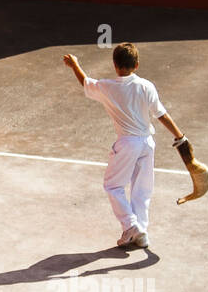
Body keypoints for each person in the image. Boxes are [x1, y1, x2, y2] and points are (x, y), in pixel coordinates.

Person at [62, 44, 186, 249]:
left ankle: (131, 226)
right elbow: (161, 114)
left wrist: (75, 64)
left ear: (114, 64)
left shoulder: (108, 86)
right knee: (142, 190)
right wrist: (180, 136)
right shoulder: (147, 86)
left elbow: (85, 81)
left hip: (127, 143)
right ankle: (141, 232)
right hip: (147, 143)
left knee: (113, 186)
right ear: (136, 65)